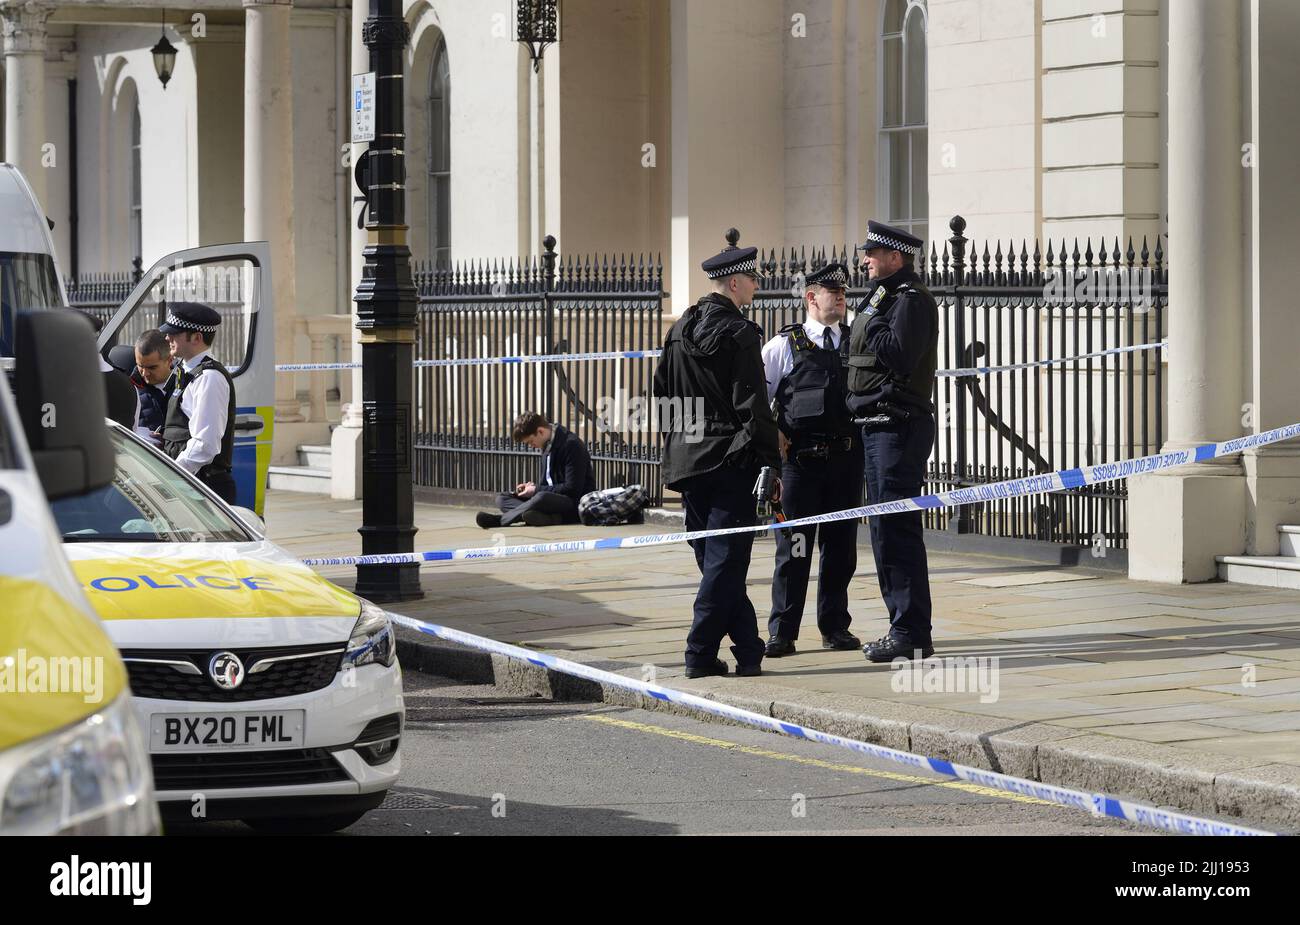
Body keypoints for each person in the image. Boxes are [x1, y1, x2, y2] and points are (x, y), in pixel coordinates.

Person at [652, 236, 780, 679]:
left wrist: (680, 442)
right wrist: (770, 463)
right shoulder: (741, 334)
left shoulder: (678, 330)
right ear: (732, 283)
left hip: (687, 461)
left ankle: (748, 650)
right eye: (752, 280)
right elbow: (752, 406)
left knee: (717, 564)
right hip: (730, 461)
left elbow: (661, 394)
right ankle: (699, 652)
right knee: (724, 563)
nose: (756, 288)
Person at [846, 221, 939, 663]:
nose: (864, 259)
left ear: (895, 257)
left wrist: (873, 320)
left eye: (872, 253)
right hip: (876, 425)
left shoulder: (911, 301)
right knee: (883, 530)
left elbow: (900, 354)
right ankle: (902, 626)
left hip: (898, 426)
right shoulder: (885, 298)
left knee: (896, 529)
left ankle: (911, 632)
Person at [760, 261, 863, 657]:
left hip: (845, 463)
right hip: (800, 465)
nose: (839, 297)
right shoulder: (783, 345)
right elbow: (756, 399)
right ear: (810, 297)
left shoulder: (856, 340)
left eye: (843, 292)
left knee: (841, 549)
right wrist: (774, 431)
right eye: (830, 291)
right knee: (795, 547)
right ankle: (782, 631)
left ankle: (835, 626)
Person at [159, 302, 237, 504]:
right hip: (191, 483)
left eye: (174, 334)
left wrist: (171, 478)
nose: (168, 338)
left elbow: (205, 444)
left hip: (201, 486)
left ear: (196, 337)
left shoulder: (209, 378)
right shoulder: (185, 371)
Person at [475, 412, 595, 528]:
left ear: (540, 431)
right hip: (550, 501)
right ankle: (544, 517)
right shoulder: (546, 444)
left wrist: (536, 490)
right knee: (503, 498)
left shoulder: (571, 445)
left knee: (541, 497)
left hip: (573, 503)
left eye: (531, 442)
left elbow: (572, 489)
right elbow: (547, 483)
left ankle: (501, 520)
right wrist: (530, 488)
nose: (531, 445)